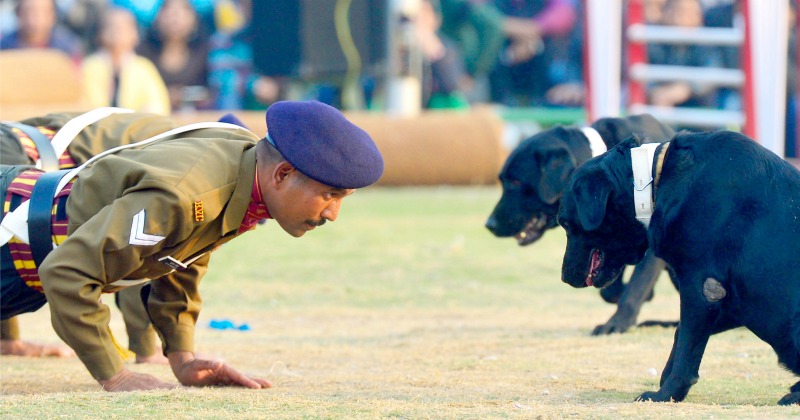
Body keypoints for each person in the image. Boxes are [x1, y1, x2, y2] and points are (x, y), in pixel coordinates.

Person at [0, 100, 384, 391]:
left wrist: (182, 357)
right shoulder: (187, 193)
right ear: (282, 174)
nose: (333, 213)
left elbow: (180, 256)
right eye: (329, 195)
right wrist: (114, 375)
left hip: (22, 266)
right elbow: (67, 272)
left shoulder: (244, 168)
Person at [0, 109, 178, 364]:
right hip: (23, 159)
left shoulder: (157, 126)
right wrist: (146, 350)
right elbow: (137, 250)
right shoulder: (181, 160)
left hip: (14, 140)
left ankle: (6, 341)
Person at [82, 8, 171, 115]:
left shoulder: (143, 67)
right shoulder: (89, 66)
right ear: (100, 34)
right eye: (111, 26)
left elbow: (158, 105)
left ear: (135, 35)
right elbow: (84, 104)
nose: (116, 32)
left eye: (123, 27)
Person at [138, 0, 212, 112]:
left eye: (181, 11)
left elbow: (212, 92)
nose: (174, 18)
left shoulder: (205, 52)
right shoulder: (143, 53)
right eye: (168, 11)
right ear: (157, 18)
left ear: (194, 19)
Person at [0, 0, 83, 62]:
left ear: (53, 15)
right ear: (17, 13)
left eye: (42, 12)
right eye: (28, 11)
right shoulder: (4, 47)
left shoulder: (67, 47)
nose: (34, 19)